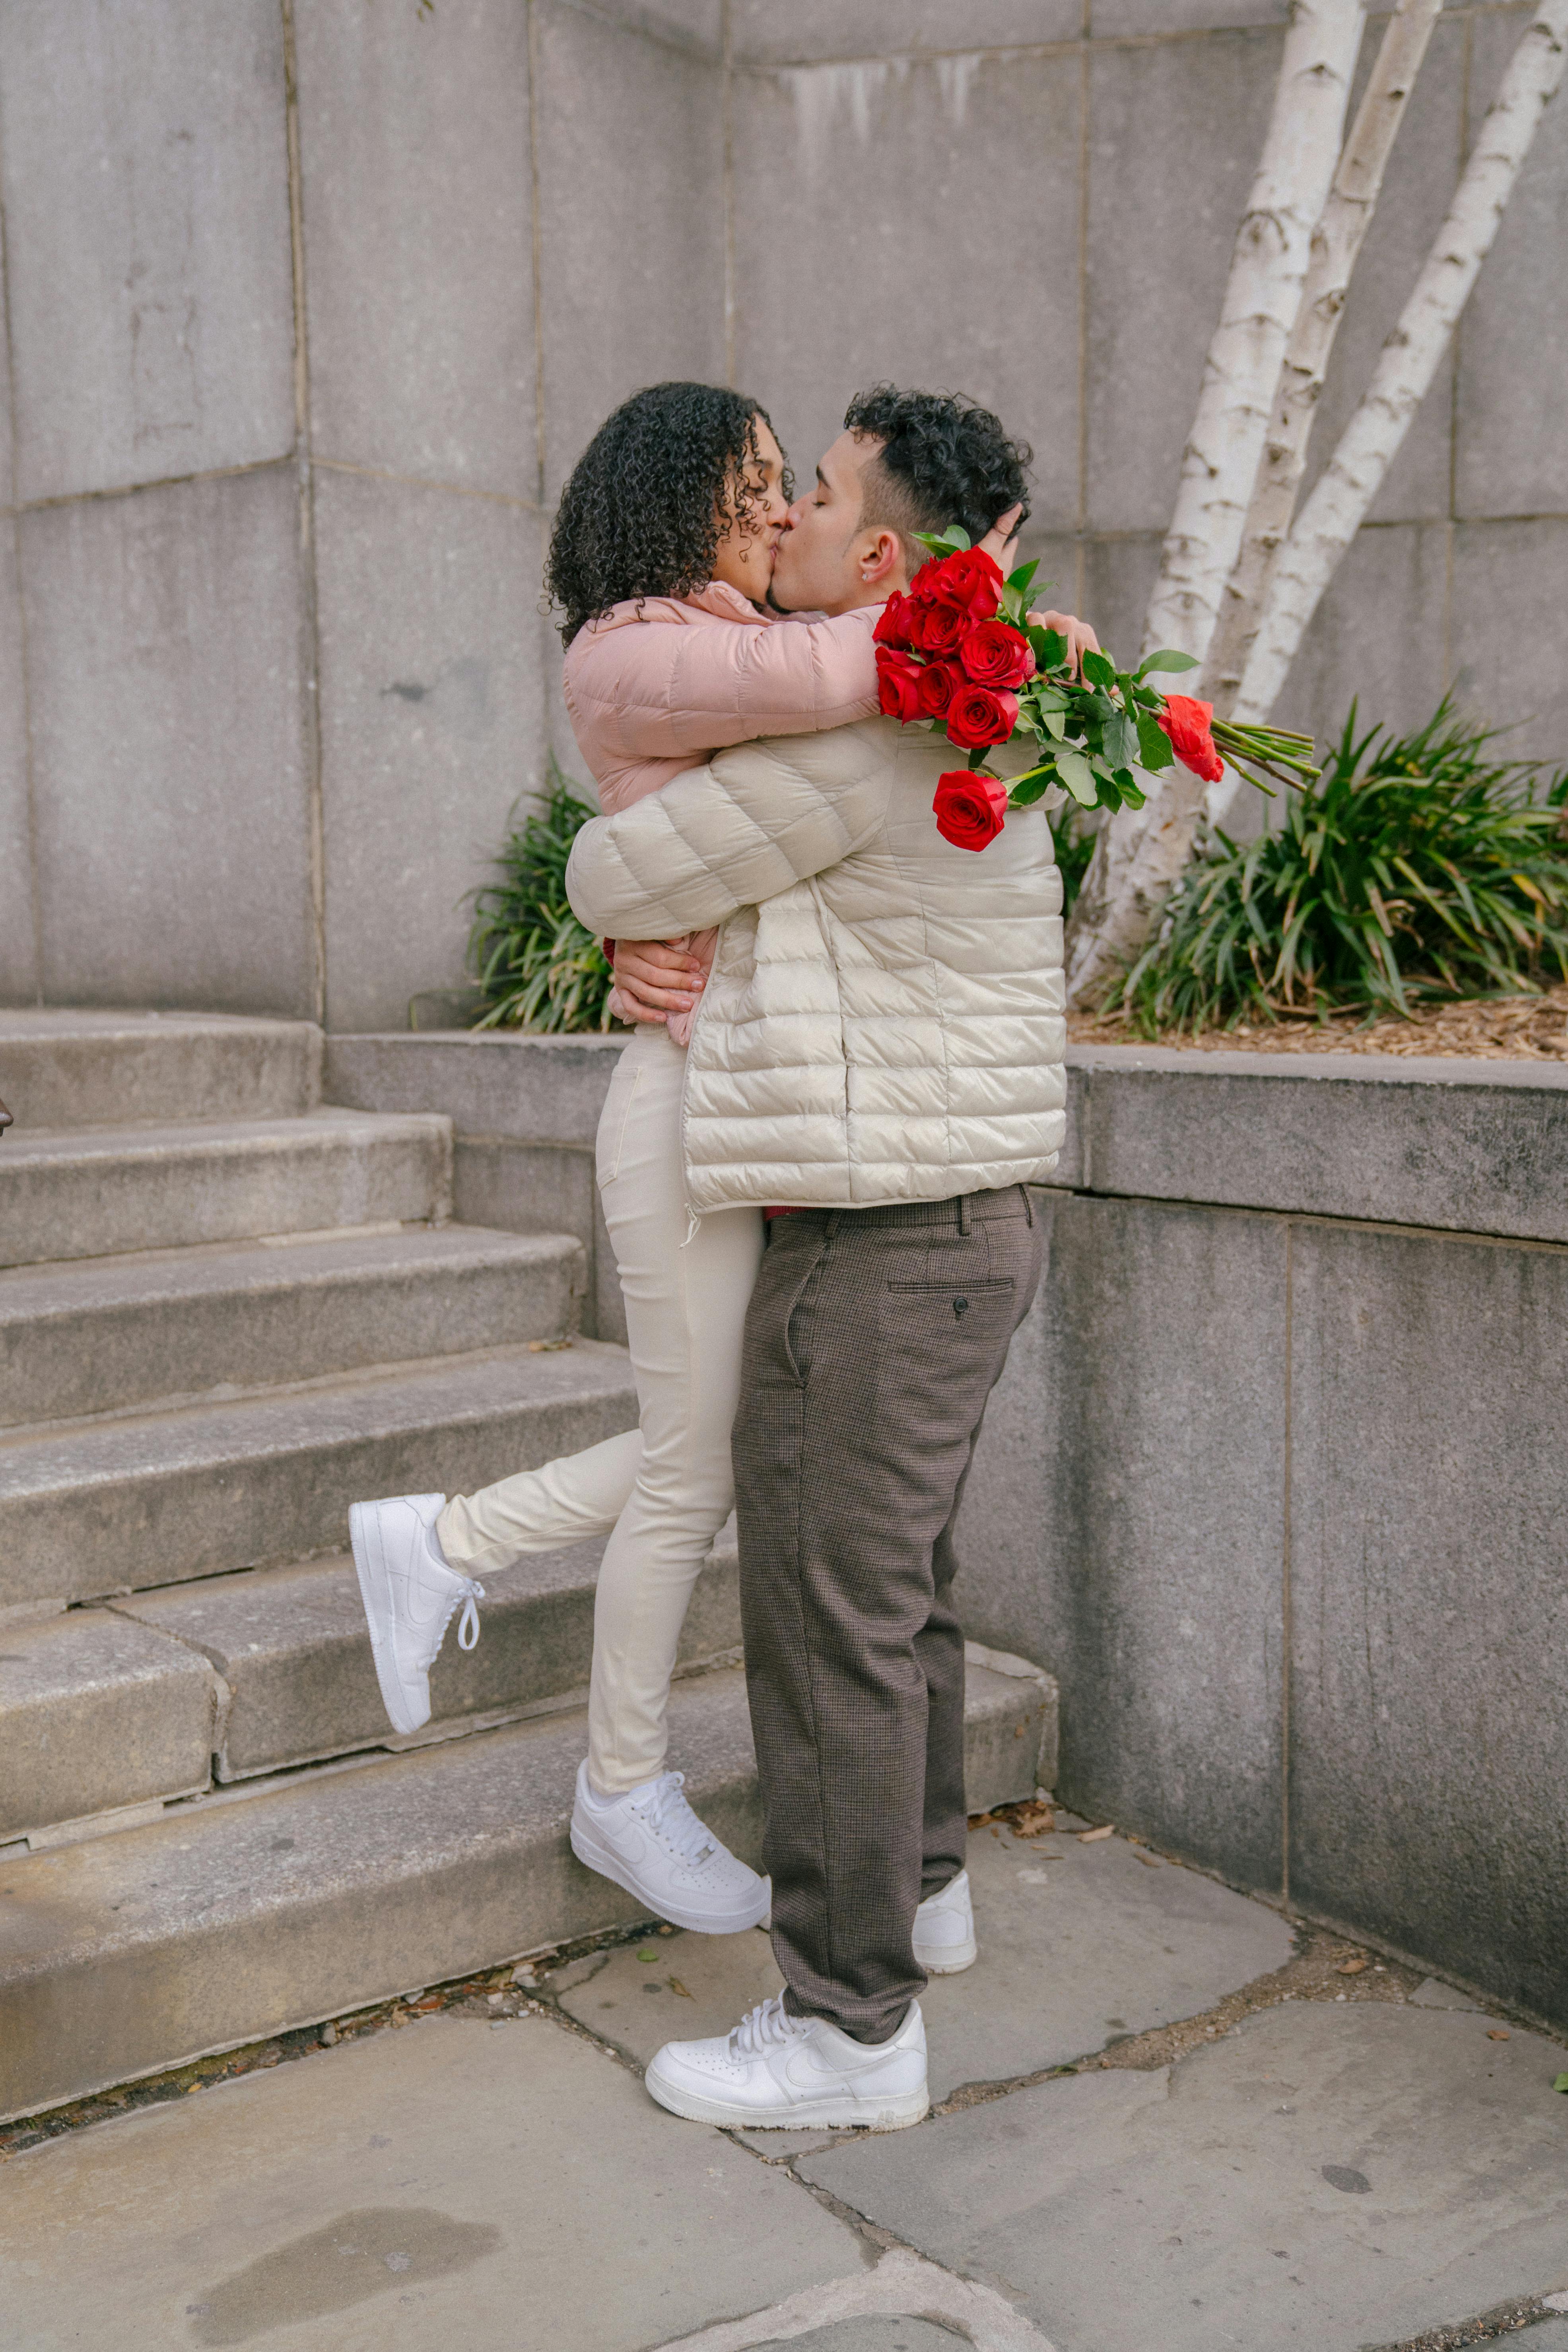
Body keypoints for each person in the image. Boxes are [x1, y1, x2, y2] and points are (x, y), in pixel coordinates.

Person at [347, 381, 1090, 1971]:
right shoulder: (634, 649)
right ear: (675, 499)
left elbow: (788, 793)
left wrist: (1008, 633)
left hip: (755, 1101)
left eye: (791, 485)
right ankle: (612, 1775)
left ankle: (449, 1546)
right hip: (684, 1105)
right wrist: (997, 624)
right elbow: (818, 688)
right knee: (703, 1467)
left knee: (747, 1452)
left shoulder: (760, 647)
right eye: (753, 484)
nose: (775, 509)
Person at [561, 385, 1072, 2133]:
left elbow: (615, 865)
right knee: (901, 1595)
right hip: (965, 1218)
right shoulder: (967, 712)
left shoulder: (856, 745)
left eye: (821, 495)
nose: (783, 514)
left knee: (826, 1622)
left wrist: (629, 923)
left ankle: (847, 2029)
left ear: (884, 565)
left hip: (880, 1233)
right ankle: (921, 1892)